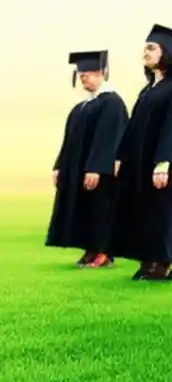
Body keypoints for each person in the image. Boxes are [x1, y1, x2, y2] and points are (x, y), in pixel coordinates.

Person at [109, 25, 172, 282]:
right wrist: (121, 157)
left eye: (151, 48)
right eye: (145, 47)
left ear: (167, 52)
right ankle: (147, 261)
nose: (145, 52)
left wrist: (164, 162)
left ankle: (162, 264)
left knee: (163, 211)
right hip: (139, 164)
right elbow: (132, 127)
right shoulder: (147, 90)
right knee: (143, 211)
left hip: (164, 165)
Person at [46, 51, 128, 268]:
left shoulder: (112, 103)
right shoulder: (82, 107)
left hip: (99, 170)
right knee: (83, 209)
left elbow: (108, 139)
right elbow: (69, 141)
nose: (84, 78)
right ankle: (90, 249)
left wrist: (96, 168)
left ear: (102, 73)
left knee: (99, 209)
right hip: (79, 169)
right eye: (81, 75)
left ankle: (105, 251)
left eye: (89, 74)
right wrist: (59, 167)